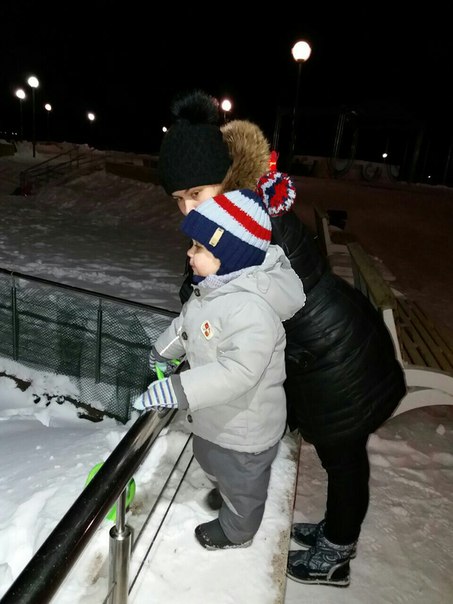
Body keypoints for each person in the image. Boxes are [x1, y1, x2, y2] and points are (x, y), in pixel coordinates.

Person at [156, 89, 407, 585]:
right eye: (179, 199)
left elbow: (220, 304)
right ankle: (333, 530)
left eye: (197, 194)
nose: (187, 210)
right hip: (319, 353)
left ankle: (337, 552)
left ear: (226, 181)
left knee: (343, 457)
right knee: (340, 457)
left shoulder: (253, 230)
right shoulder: (239, 219)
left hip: (336, 359)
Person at [133, 188, 306, 550]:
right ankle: (228, 488)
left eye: (198, 247)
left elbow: (238, 371)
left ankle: (238, 529)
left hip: (246, 427)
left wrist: (179, 389)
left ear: (228, 257)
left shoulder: (251, 309)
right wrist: (163, 352)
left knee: (242, 483)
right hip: (217, 415)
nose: (189, 253)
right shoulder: (212, 291)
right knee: (210, 457)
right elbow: (187, 325)